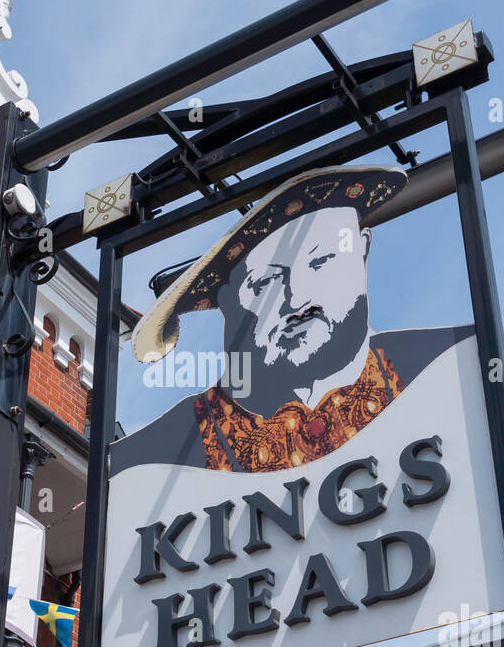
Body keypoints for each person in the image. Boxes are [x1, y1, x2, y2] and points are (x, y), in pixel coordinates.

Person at [111, 164, 472, 474]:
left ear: (362, 252)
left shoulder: (453, 364)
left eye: (321, 261)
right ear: (227, 304)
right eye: (266, 282)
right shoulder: (154, 455)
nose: (297, 298)